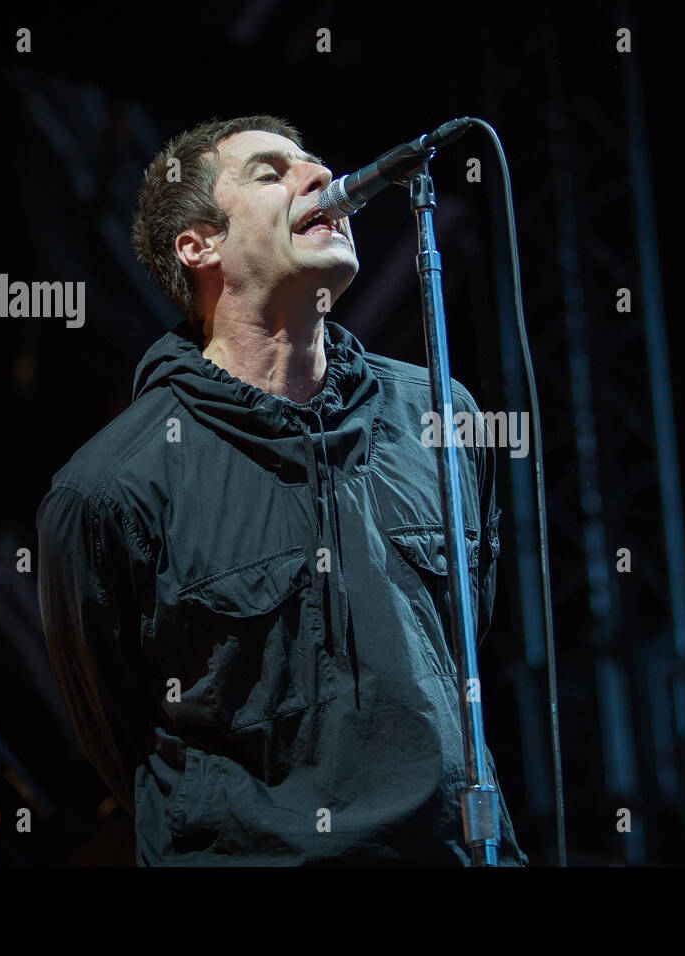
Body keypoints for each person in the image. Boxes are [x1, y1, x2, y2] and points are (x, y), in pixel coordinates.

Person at [36, 115, 528, 865]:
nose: (320, 178)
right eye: (271, 172)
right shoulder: (109, 489)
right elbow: (116, 733)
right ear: (199, 246)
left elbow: (464, 629)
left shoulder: (440, 414)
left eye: (315, 162)